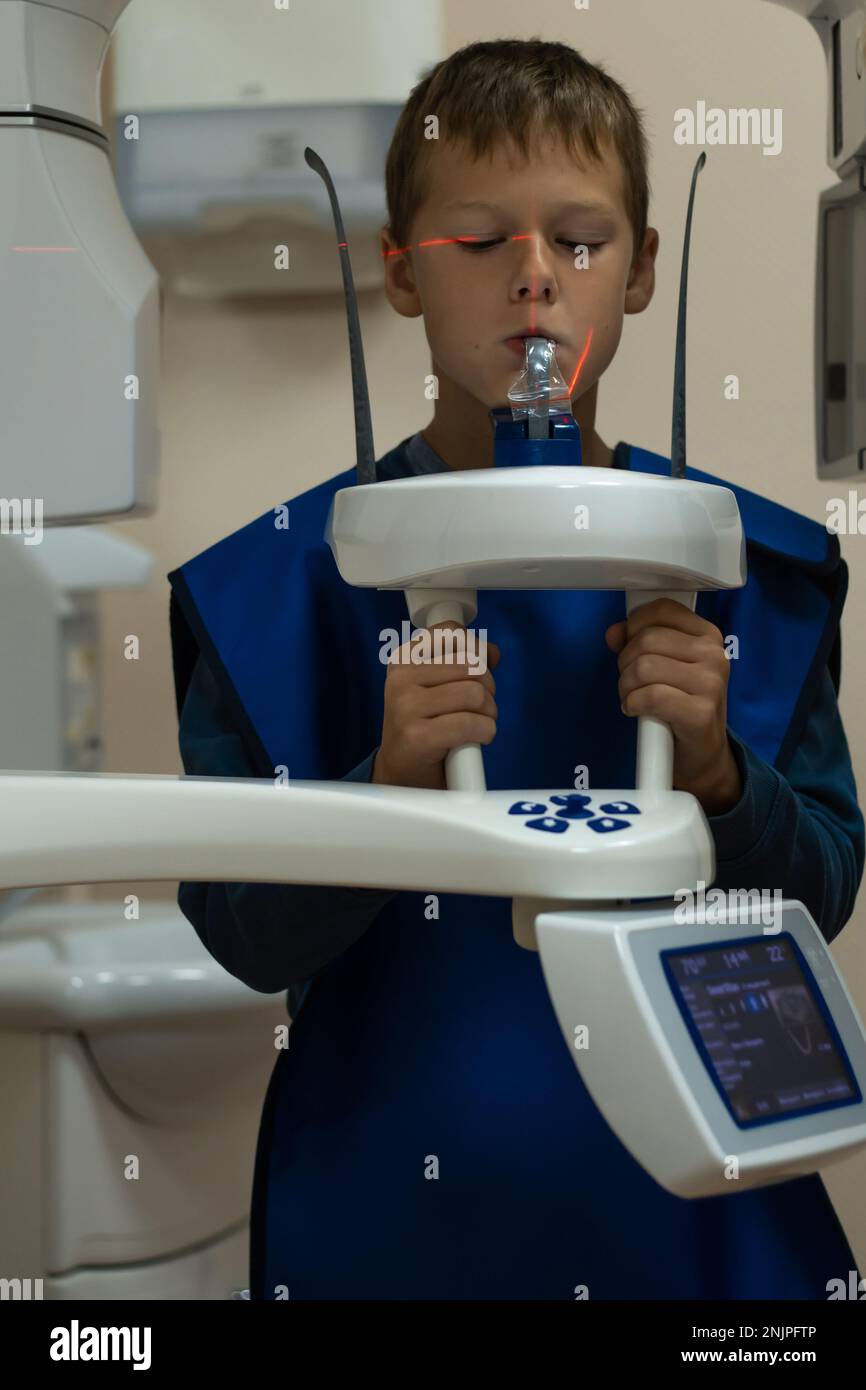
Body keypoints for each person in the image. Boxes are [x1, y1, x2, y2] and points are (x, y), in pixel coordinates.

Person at [167, 38, 864, 1300]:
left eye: (581, 242)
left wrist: (718, 775)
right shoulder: (270, 585)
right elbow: (240, 938)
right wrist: (379, 796)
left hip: (692, 1212)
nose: (534, 281)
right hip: (391, 1201)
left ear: (642, 269)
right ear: (397, 272)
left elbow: (820, 890)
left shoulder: (752, 569)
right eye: (480, 243)